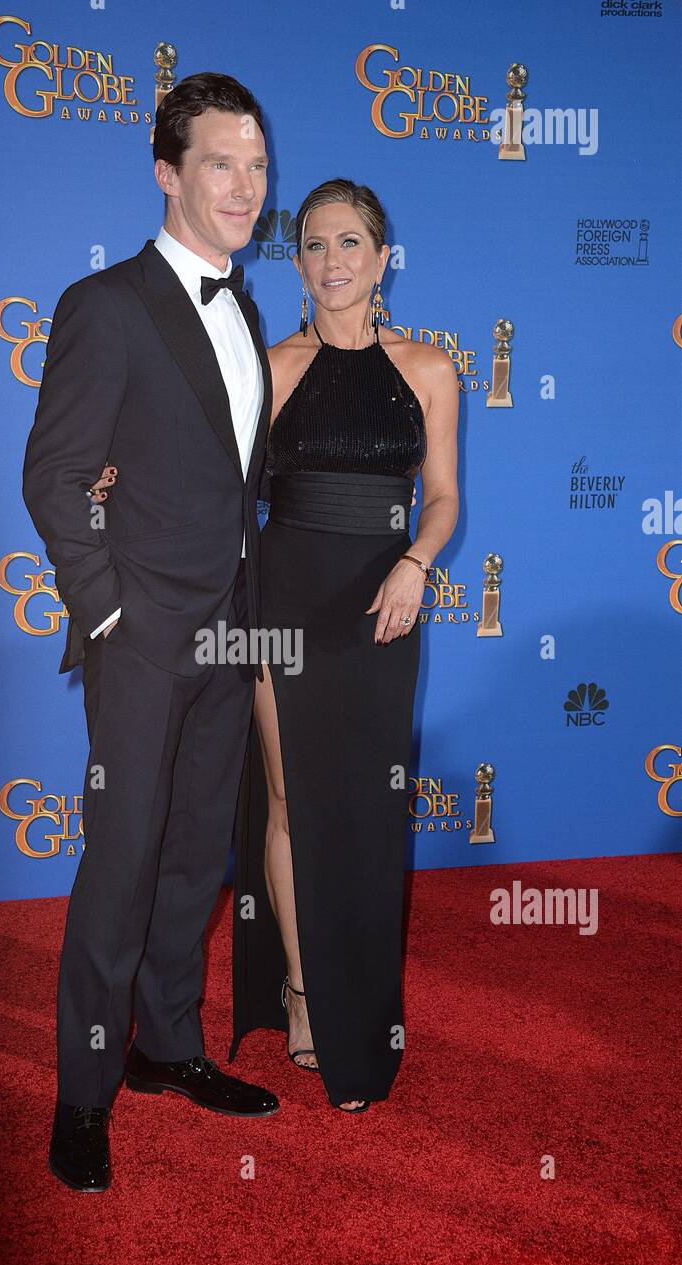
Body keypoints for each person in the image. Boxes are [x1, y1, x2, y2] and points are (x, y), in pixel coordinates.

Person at [22, 73, 280, 1193]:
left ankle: (165, 1047)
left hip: (228, 628)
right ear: (166, 171)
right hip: (142, 634)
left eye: (257, 164)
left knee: (192, 857)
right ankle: (83, 1096)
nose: (244, 185)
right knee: (121, 863)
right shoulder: (107, 305)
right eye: (221, 162)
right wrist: (111, 607)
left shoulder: (248, 303)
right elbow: (54, 477)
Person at [230, 179, 459, 1112]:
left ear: (381, 256)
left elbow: (441, 496)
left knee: (364, 810)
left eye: (351, 243)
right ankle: (300, 990)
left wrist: (416, 564)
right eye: (315, 246)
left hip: (383, 604)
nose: (333, 262)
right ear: (298, 263)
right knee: (287, 798)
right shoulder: (271, 364)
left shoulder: (431, 368)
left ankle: (359, 1000)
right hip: (282, 597)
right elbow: (221, 491)